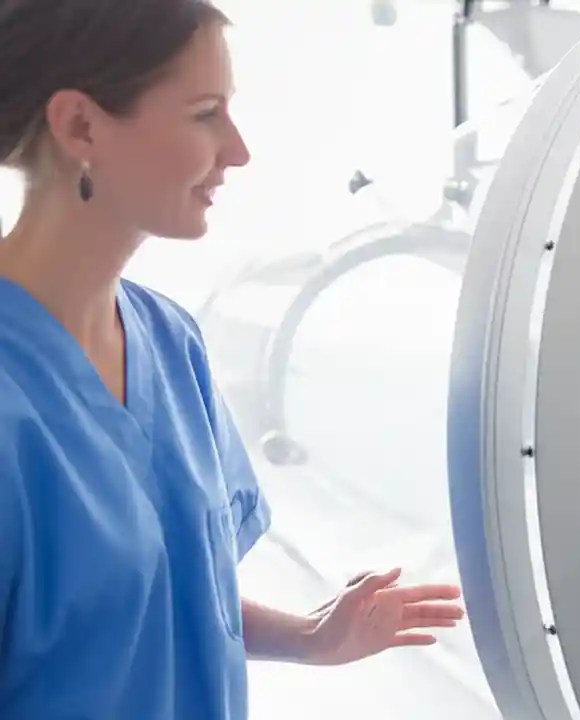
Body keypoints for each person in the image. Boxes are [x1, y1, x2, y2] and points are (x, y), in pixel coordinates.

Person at [0, 2, 465, 718]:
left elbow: (169, 593)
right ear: (81, 127)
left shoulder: (169, 341)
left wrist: (312, 637)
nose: (239, 149)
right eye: (205, 113)